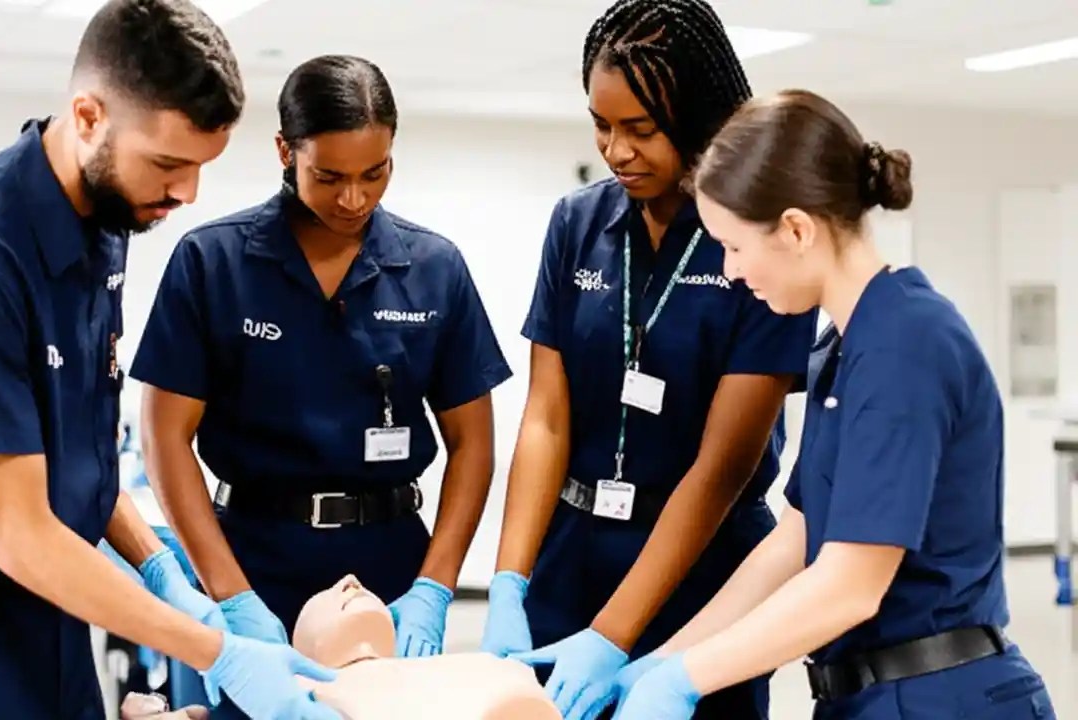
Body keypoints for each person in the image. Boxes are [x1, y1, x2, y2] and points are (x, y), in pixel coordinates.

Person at [0, 2, 340, 718]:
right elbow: (16, 533)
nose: (186, 194)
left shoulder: (105, 221)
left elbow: (79, 458)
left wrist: (162, 570)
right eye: (168, 164)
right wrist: (215, 653)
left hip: (55, 603)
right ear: (86, 116)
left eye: (201, 166)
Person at [607, 89, 1057, 719]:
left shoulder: (906, 343)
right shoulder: (842, 345)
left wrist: (687, 678)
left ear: (795, 229)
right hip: (864, 696)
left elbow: (848, 587)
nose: (731, 272)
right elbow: (796, 538)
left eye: (733, 246)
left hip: (941, 698)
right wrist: (663, 659)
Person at [131, 54, 512, 716]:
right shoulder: (214, 262)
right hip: (249, 555)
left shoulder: (433, 268)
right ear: (285, 151)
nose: (354, 198)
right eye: (328, 176)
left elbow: (473, 443)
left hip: (388, 565)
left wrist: (435, 587)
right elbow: (165, 438)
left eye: (376, 173)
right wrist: (231, 597)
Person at [479, 1, 817, 718]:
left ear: (702, 119)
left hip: (702, 566)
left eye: (641, 129)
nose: (617, 151)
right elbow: (546, 417)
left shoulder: (754, 244)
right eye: (601, 125)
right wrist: (510, 579)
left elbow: (722, 466)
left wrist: (612, 636)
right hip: (573, 557)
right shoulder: (579, 223)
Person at [286, 574, 561, 719]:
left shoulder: (478, 665)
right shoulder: (303, 693)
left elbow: (527, 707)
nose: (350, 580)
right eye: (329, 596)